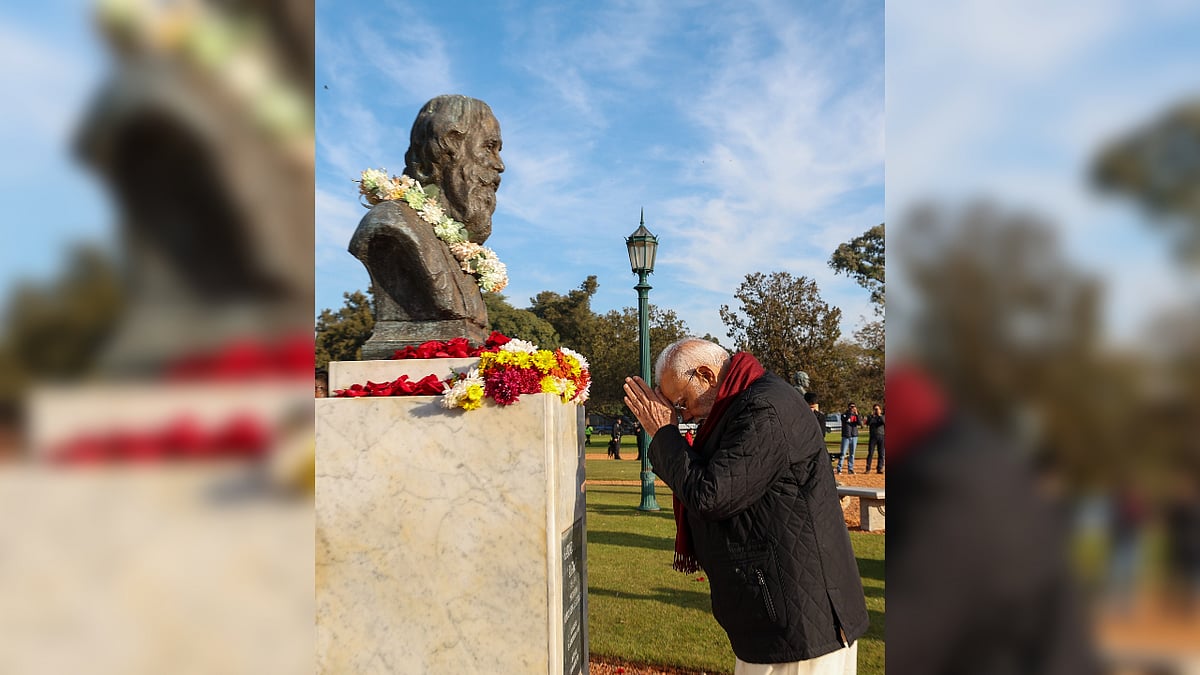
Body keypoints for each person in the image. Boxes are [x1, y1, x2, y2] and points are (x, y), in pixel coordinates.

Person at [623, 338, 868, 673]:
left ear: (706, 376)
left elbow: (711, 496)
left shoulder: (765, 408)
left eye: (681, 402)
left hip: (800, 623)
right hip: (777, 612)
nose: (683, 414)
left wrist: (665, 434)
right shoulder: (743, 403)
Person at [349, 95, 505, 356]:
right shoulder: (392, 223)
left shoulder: (458, 247)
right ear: (444, 150)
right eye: (488, 147)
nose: (500, 165)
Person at [837, 403, 862, 474]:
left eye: (854, 407)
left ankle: (850, 469)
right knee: (843, 453)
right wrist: (850, 413)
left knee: (852, 454)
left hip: (854, 436)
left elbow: (860, 423)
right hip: (846, 436)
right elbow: (846, 420)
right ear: (848, 407)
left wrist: (857, 414)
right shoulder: (844, 415)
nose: (853, 408)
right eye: (851, 407)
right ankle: (839, 468)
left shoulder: (856, 415)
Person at [864, 404, 884, 473]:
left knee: (881, 453)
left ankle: (880, 468)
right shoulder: (870, 417)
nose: (876, 410)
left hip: (881, 436)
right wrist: (873, 416)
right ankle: (868, 468)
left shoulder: (883, 416)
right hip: (873, 437)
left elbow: (884, 422)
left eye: (877, 409)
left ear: (880, 410)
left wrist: (879, 415)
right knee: (870, 453)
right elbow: (868, 423)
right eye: (875, 409)